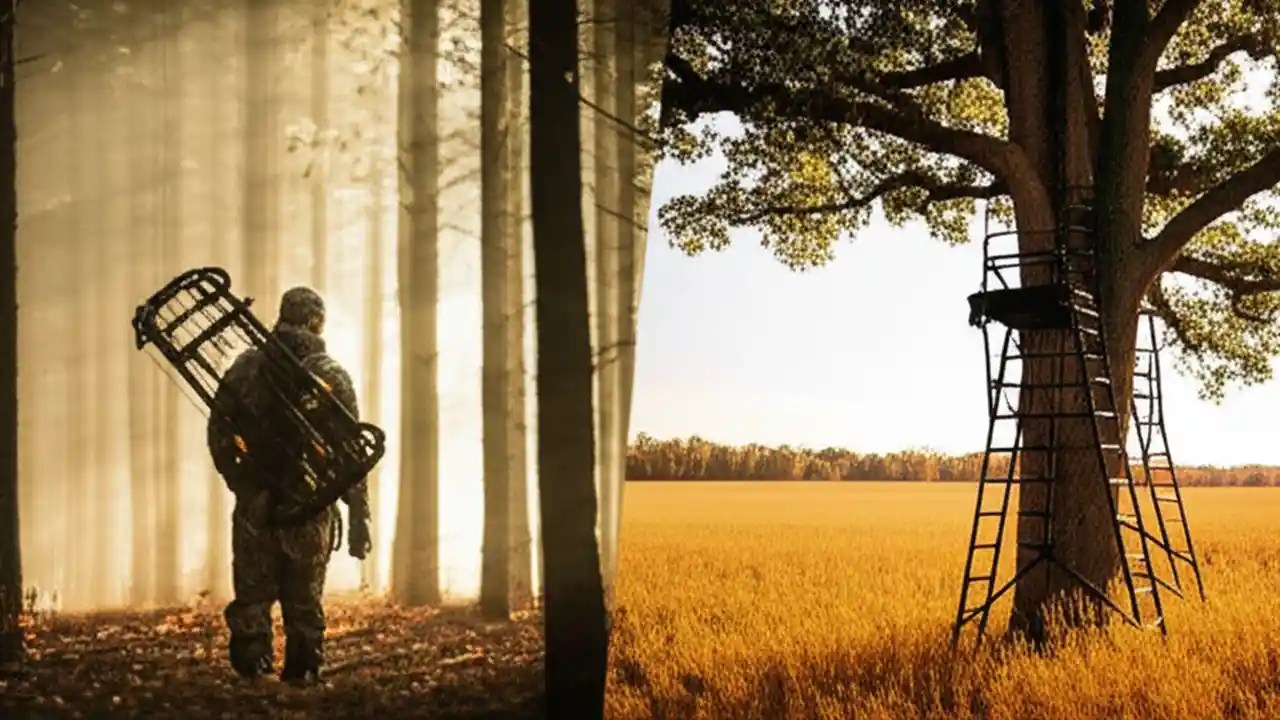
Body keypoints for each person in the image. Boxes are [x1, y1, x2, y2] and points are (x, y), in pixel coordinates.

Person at [206, 286, 372, 685]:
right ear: (317, 322)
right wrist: (358, 514)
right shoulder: (331, 375)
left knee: (253, 592)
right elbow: (352, 453)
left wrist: (241, 485)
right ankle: (303, 670)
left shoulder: (245, 367)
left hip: (255, 507)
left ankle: (253, 670)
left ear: (281, 317)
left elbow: (218, 432)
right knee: (304, 597)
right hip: (312, 507)